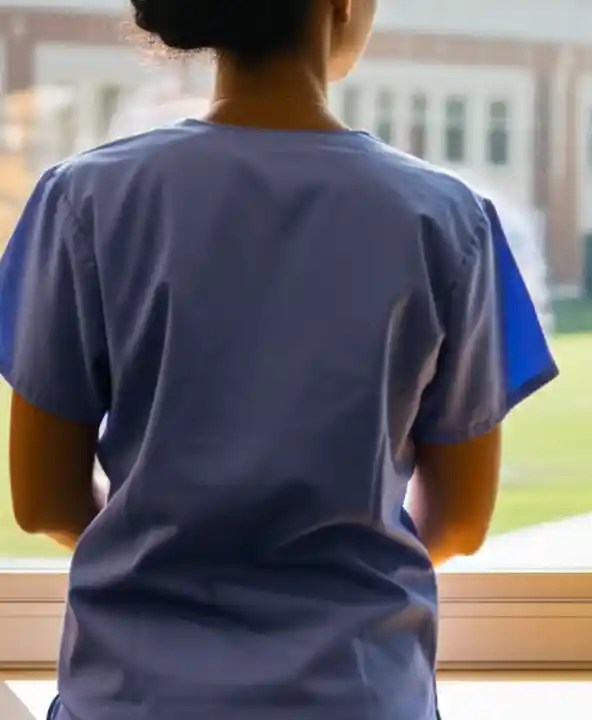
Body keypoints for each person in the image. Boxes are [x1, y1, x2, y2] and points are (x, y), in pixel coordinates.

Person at [0, 0, 557, 718]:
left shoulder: (84, 200)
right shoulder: (449, 220)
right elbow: (458, 522)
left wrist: (171, 551)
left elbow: (43, 499)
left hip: (133, 699)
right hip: (359, 696)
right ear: (342, 4)